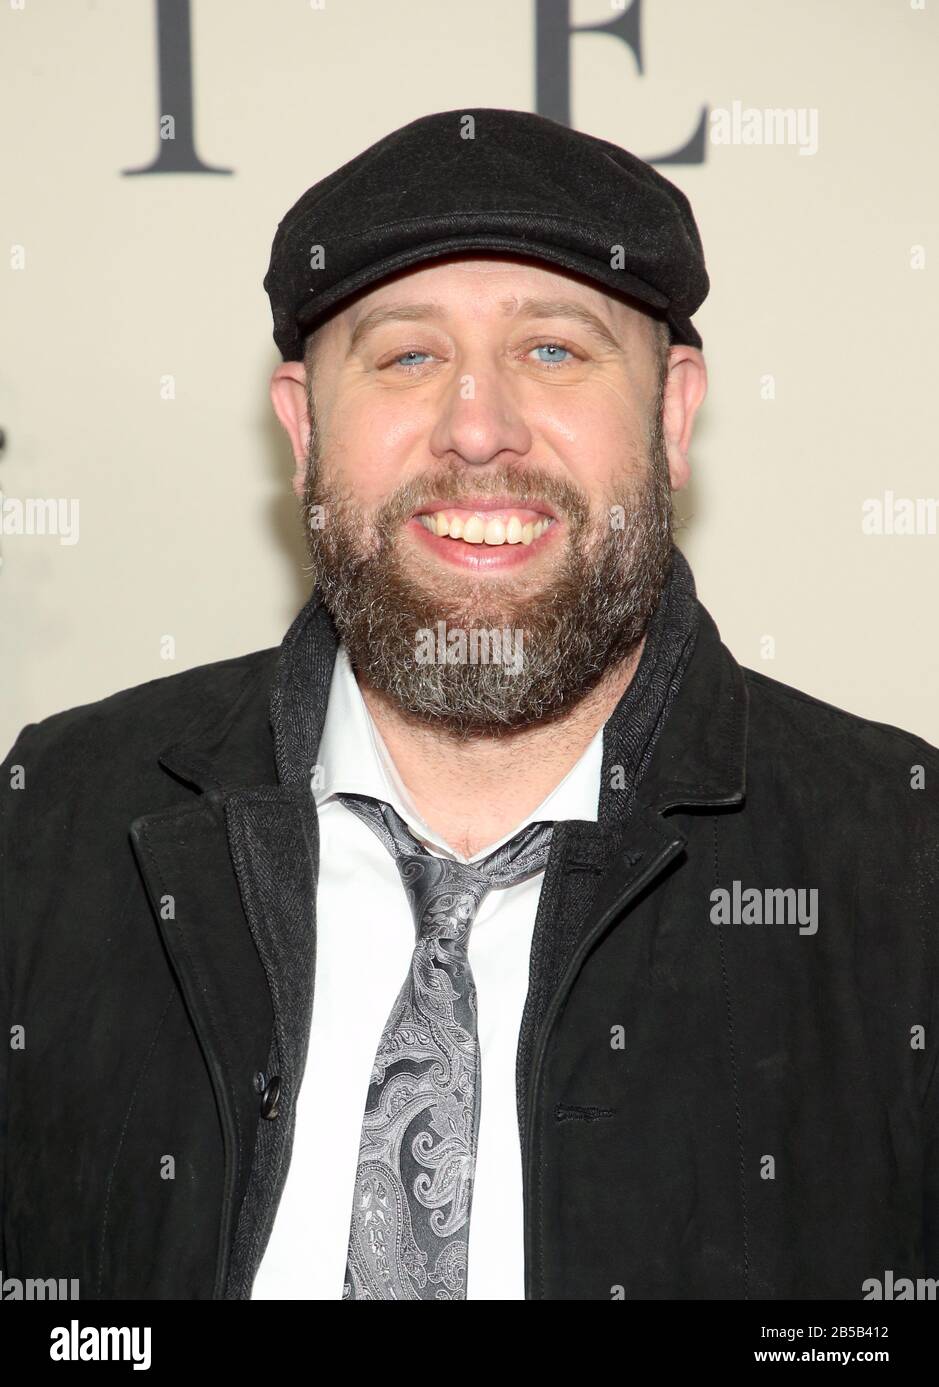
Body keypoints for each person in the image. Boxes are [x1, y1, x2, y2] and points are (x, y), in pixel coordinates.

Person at [1, 108, 936, 1302]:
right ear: (301, 428)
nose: (478, 429)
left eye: (554, 350)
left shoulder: (905, 872)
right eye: (405, 356)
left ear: (673, 413)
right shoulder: (49, 830)